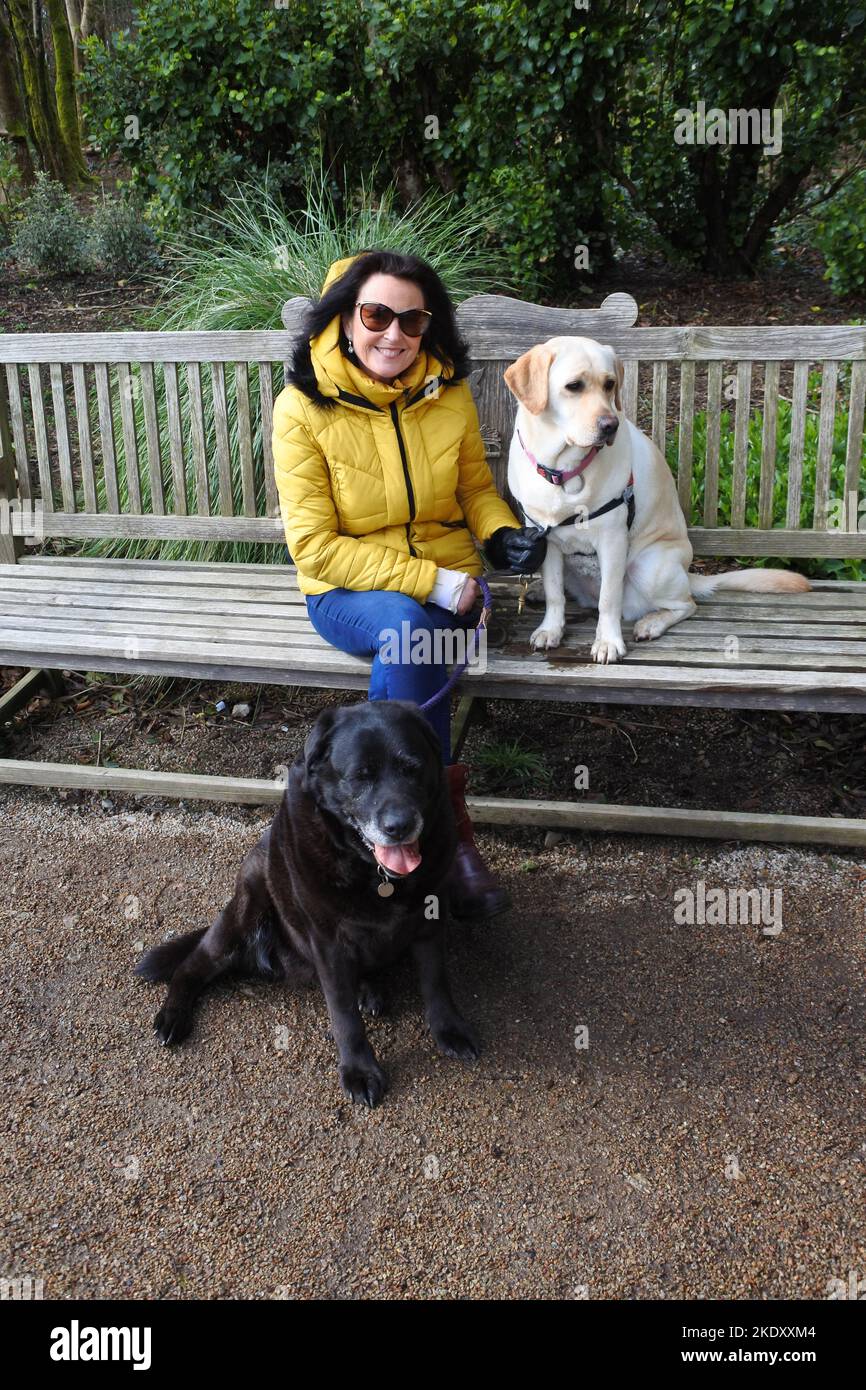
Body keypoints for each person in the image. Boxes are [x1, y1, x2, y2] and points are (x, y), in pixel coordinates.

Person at [272, 248, 546, 919]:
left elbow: (474, 490)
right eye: (375, 315)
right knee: (409, 631)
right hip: (345, 595)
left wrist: (499, 534)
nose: (393, 334)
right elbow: (315, 547)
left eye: (412, 320)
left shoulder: (445, 393)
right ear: (341, 319)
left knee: (415, 641)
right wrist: (430, 581)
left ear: (429, 327)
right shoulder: (301, 409)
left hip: (453, 589)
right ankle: (449, 849)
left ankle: (360, 846)